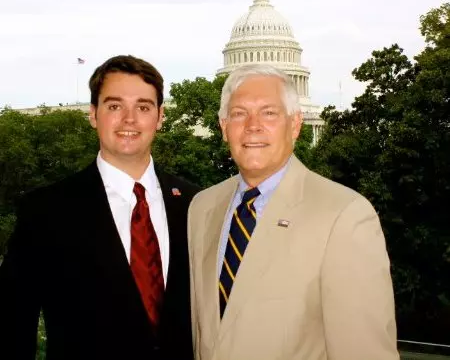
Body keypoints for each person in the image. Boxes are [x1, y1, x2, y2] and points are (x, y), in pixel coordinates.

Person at [188, 64, 399, 360]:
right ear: (224, 128)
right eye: (239, 113)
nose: (252, 125)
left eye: (269, 112)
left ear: (296, 125)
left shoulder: (345, 215)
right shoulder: (201, 208)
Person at [0, 55, 200, 360]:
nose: (129, 119)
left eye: (143, 107)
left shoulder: (195, 205)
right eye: (115, 106)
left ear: (160, 117)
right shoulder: (45, 211)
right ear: (94, 114)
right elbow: (12, 326)